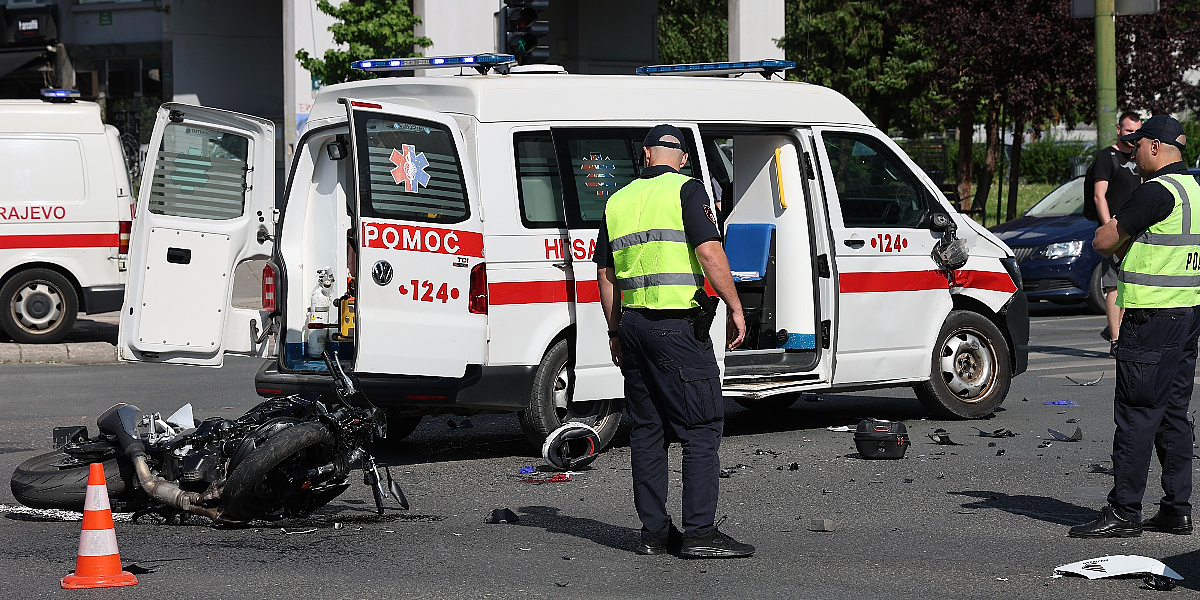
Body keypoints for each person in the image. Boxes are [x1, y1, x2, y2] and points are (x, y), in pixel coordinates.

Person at [595, 124, 754, 558]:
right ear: (682, 159)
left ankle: (654, 534)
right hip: (677, 330)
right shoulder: (688, 189)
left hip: (634, 328)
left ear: (646, 154)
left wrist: (614, 330)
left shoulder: (617, 200)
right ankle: (700, 533)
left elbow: (606, 275)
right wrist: (736, 306)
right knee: (701, 427)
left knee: (648, 431)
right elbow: (709, 251)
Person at [1070, 115, 1200, 538]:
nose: (1133, 151)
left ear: (1156, 147)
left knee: (1136, 414)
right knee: (1173, 413)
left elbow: (1103, 240)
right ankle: (1176, 509)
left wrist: (1117, 237)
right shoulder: (1195, 191)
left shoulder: (1156, 191)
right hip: (1187, 314)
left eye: (1138, 144)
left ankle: (1124, 511)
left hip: (1151, 318)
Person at [1085, 112, 1143, 355]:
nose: (1132, 136)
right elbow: (1099, 196)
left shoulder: (1140, 155)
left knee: (1132, 285)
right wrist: (1109, 228)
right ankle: (1116, 340)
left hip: (1135, 230)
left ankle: (1118, 329)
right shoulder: (1106, 157)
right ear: (1119, 130)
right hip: (1115, 230)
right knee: (1113, 286)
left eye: (1136, 131)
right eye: (1128, 131)